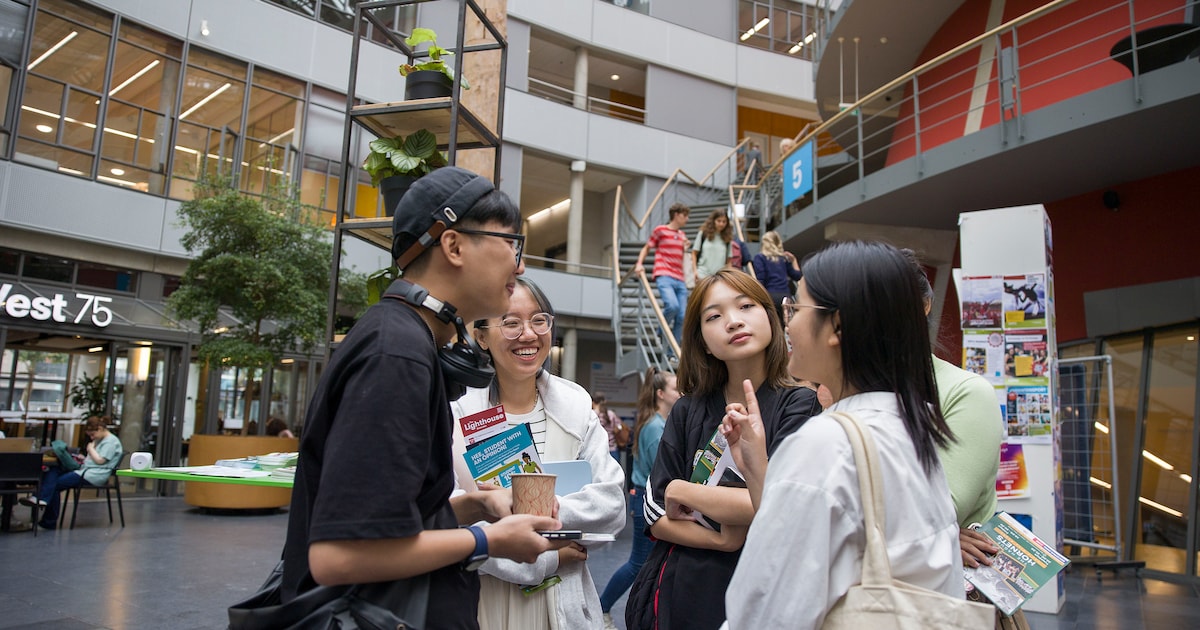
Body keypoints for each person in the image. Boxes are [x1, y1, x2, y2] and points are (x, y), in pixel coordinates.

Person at [279, 167, 566, 625]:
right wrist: (488, 540)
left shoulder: (403, 339)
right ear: (453, 246)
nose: (521, 265)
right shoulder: (398, 354)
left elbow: (388, 520)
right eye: (512, 244)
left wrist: (474, 506)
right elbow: (340, 555)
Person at [721, 240, 962, 629]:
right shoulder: (912, 423)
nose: (789, 322)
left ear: (837, 326)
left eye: (796, 307)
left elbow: (765, 610)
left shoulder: (826, 443)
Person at [625, 268, 820, 630]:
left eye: (746, 306)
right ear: (701, 338)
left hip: (757, 593)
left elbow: (781, 505)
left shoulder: (800, 404)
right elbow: (653, 512)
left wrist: (683, 490)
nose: (733, 322)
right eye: (714, 316)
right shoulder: (689, 408)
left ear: (770, 315)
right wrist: (723, 540)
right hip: (677, 592)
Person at [452, 277, 626, 630]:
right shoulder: (456, 411)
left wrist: (533, 514)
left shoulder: (575, 404)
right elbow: (446, 517)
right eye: (511, 322)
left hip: (564, 606)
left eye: (539, 320)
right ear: (482, 336)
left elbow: (610, 508)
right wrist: (551, 556)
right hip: (482, 603)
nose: (528, 334)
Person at [902, 249, 1003, 569]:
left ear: (925, 305)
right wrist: (933, 535)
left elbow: (938, 511)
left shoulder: (967, 392)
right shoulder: (833, 392)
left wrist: (934, 531)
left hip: (949, 600)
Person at [599, 366, 680, 630]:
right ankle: (602, 607)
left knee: (642, 563)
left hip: (647, 497)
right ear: (660, 394)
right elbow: (664, 470)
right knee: (638, 564)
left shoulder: (659, 423)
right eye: (675, 389)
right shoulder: (656, 428)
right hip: (647, 499)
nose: (681, 393)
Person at [21, 415, 122, 530]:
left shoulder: (111, 442)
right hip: (86, 469)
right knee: (53, 470)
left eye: (93, 435)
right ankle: (41, 499)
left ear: (100, 429)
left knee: (54, 485)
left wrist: (90, 449)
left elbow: (100, 460)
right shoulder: (100, 439)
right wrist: (83, 458)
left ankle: (47, 518)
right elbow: (94, 459)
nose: (92, 438)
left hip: (94, 475)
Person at [634, 203, 691, 356]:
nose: (687, 219)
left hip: (680, 278)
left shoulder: (682, 235)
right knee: (672, 306)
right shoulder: (660, 230)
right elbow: (647, 248)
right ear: (676, 215)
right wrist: (639, 264)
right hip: (664, 274)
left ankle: (672, 353)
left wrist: (685, 247)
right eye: (685, 215)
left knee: (682, 316)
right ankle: (660, 332)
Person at [750, 231, 801, 322]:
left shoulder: (760, 257)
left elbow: (761, 279)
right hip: (785, 297)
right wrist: (794, 260)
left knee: (773, 326)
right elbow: (797, 276)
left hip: (770, 296)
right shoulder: (783, 259)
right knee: (786, 327)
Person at [691, 209, 733, 281]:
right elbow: (694, 253)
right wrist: (695, 271)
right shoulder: (703, 234)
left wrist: (729, 276)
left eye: (724, 221)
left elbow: (729, 261)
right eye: (719, 221)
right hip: (702, 274)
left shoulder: (727, 239)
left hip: (719, 277)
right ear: (713, 221)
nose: (721, 224)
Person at [592, 392, 624, 460]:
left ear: (593, 402)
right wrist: (616, 429)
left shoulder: (592, 415)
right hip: (612, 450)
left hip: (596, 451)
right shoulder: (611, 414)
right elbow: (620, 426)